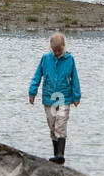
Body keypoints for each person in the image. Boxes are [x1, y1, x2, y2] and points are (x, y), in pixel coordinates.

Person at [28, 32, 81, 164]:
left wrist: (76, 96)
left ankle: (60, 155)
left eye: (59, 50)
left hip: (64, 98)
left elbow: (75, 78)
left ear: (64, 47)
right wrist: (32, 92)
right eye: (54, 50)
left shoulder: (69, 59)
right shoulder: (45, 58)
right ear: (51, 48)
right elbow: (37, 76)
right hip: (49, 98)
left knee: (61, 125)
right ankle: (56, 155)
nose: (56, 53)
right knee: (52, 126)